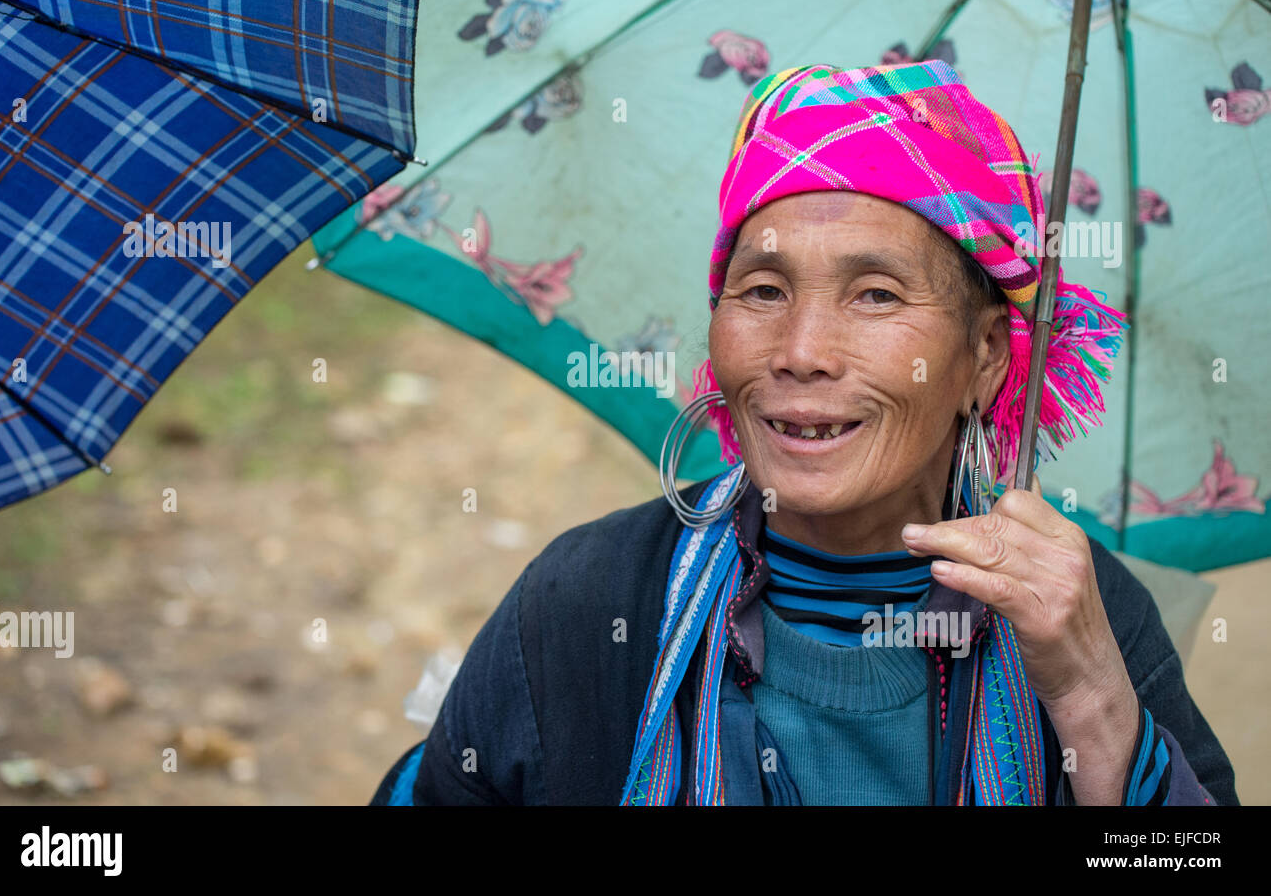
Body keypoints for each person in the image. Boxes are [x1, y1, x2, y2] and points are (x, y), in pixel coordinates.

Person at [372, 60, 1237, 806]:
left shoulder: (1088, 616)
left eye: (876, 295)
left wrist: (1093, 699)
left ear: (983, 357)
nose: (801, 352)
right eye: (762, 290)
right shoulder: (588, 602)